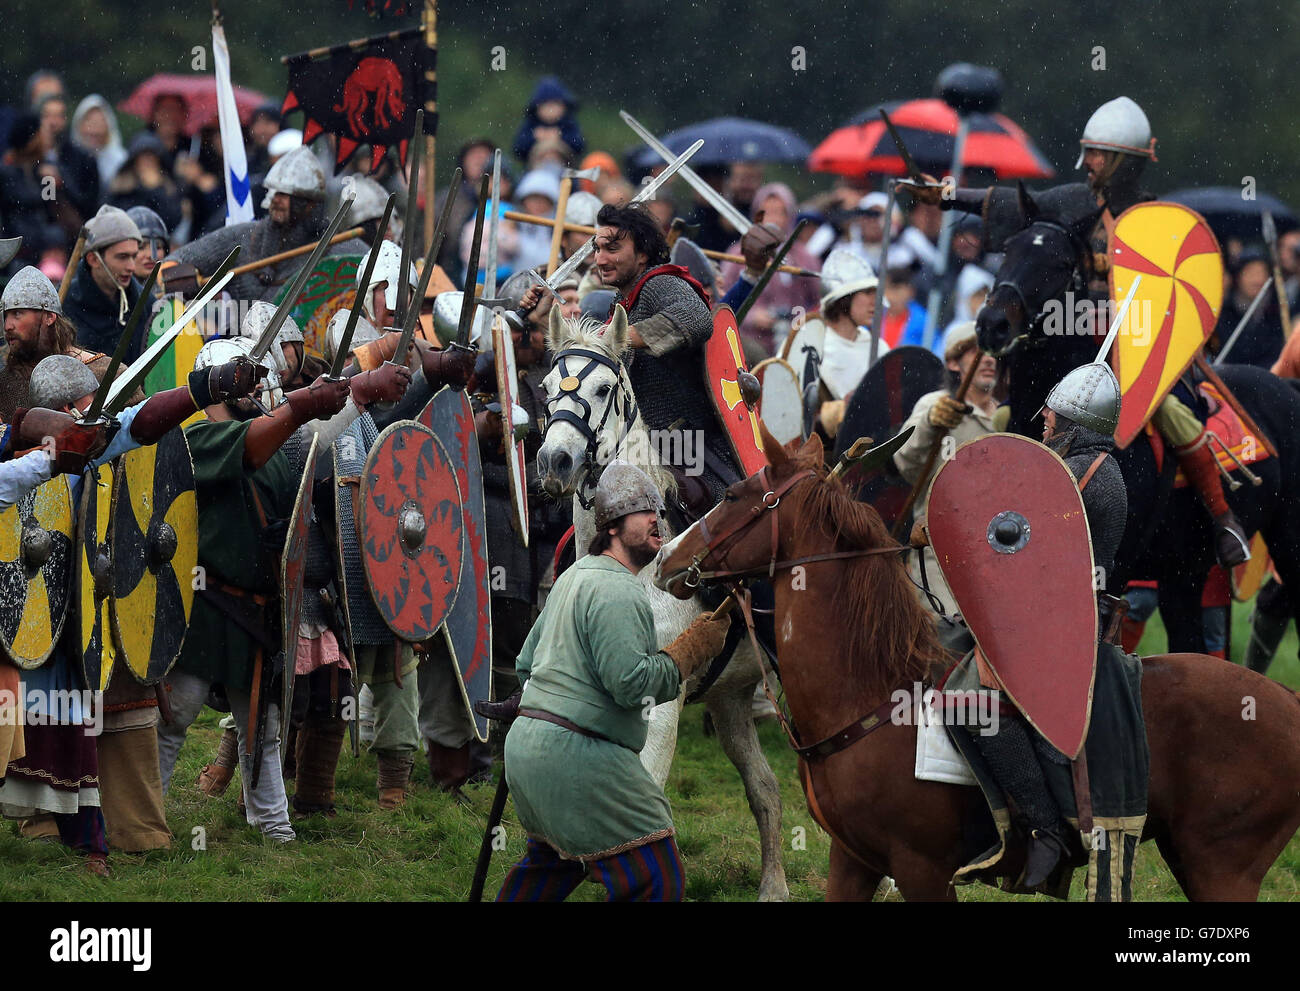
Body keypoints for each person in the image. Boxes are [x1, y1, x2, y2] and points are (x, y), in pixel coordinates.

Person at [904, 96, 1249, 568]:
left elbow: (1172, 288)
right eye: (1088, 152)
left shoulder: (1153, 219)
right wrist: (945, 196)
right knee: (1010, 417)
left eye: (1098, 154)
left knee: (1170, 410)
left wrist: (1121, 275)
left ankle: (1222, 515)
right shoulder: (1071, 200)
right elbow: (1003, 202)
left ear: (1125, 160)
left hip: (1131, 344)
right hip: (1072, 338)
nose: (1087, 163)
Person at [940, 361, 1146, 899]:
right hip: (1043, 609)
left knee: (971, 701)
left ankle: (1044, 830)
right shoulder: (1079, 467)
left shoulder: (1088, 478)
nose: (1044, 424)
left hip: (1063, 622)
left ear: (1073, 422)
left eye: (1051, 417)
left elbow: (1033, 551)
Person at [495, 462, 731, 901]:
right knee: (657, 879)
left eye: (659, 511)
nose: (657, 522)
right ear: (614, 528)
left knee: (549, 870)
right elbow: (630, 684)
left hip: (528, 755)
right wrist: (689, 652)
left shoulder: (572, 577)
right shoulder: (623, 590)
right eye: (644, 513)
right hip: (577, 759)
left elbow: (526, 664)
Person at [529, 202, 738, 506]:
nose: (600, 259)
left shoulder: (660, 283)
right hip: (637, 450)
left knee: (721, 524)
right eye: (597, 249)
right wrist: (535, 319)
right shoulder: (622, 301)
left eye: (612, 248)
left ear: (642, 253)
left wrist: (625, 337)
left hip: (692, 452)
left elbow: (696, 317)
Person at [893, 321, 1000, 648]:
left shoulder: (1006, 416)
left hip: (999, 551)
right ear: (954, 363)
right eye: (973, 351)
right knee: (951, 640)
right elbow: (905, 462)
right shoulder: (933, 404)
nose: (988, 359)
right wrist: (929, 423)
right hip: (941, 554)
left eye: (993, 353)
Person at [168, 146, 366, 301]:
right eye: (275, 192)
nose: (277, 199)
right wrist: (180, 278)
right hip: (244, 347)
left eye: (287, 195)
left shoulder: (339, 247)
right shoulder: (243, 237)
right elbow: (176, 261)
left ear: (309, 204)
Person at [0, 265, 142, 421]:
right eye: (5, 316)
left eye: (17, 314)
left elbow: (139, 431)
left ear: (49, 317)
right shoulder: (5, 383)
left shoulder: (107, 372)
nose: (7, 326)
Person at [719, 182, 821, 355]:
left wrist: (799, 320)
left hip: (795, 345)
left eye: (779, 212)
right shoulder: (738, 254)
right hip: (748, 347)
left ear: (788, 216)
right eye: (767, 213)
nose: (773, 219)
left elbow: (818, 301)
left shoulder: (805, 257)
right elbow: (721, 300)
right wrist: (751, 316)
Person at [63, 205, 145, 361]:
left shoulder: (144, 302)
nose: (131, 267)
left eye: (134, 256)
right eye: (122, 257)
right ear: (93, 259)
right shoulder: (63, 305)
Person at [511, 77, 584, 166]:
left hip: (565, 172)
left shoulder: (568, 123)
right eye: (546, 105)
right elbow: (517, 149)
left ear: (564, 106)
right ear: (537, 108)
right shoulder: (531, 124)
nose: (551, 110)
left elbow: (579, 146)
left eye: (555, 104)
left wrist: (561, 137)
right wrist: (534, 138)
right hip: (535, 173)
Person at [69, 94, 127, 191]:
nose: (94, 127)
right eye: (89, 120)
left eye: (100, 121)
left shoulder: (120, 160)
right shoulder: (68, 158)